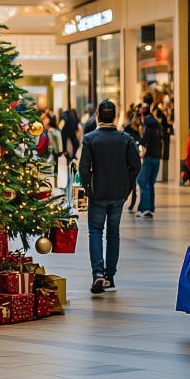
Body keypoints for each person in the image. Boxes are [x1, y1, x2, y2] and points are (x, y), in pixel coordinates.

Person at [79, 99, 141, 294]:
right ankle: (110, 276)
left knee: (95, 232)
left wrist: (88, 188)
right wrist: (127, 186)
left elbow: (83, 167)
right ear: (114, 116)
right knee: (113, 234)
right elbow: (136, 165)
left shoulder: (90, 139)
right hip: (117, 194)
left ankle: (98, 273)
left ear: (98, 116)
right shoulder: (125, 139)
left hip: (98, 194)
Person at [136, 103, 163, 218]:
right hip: (157, 157)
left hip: (149, 156)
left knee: (142, 180)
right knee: (150, 183)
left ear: (143, 111)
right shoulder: (156, 123)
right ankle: (150, 208)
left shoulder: (146, 123)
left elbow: (146, 139)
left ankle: (145, 209)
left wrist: (141, 146)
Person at [123, 112, 143, 211]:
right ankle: (130, 200)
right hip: (130, 157)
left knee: (134, 181)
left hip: (133, 157)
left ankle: (132, 201)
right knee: (131, 181)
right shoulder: (128, 129)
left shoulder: (134, 130)